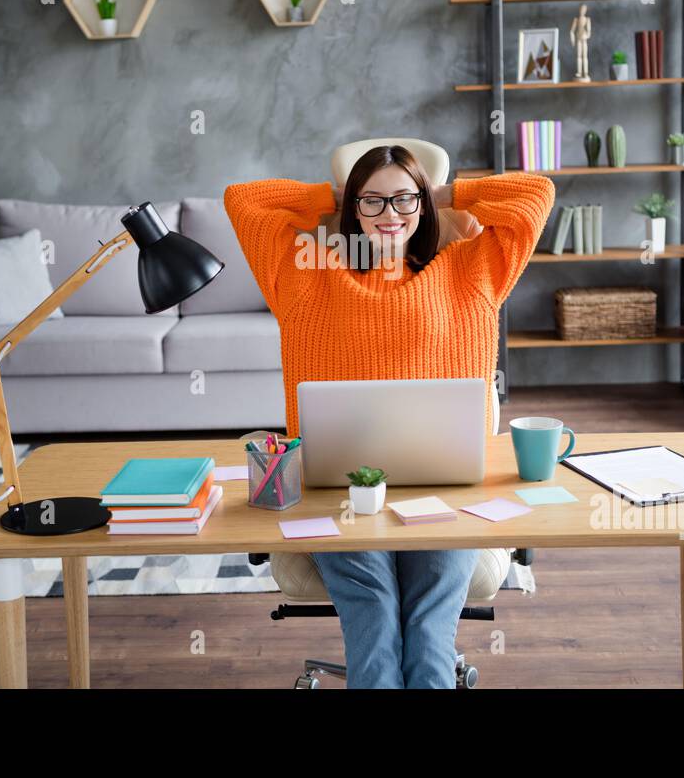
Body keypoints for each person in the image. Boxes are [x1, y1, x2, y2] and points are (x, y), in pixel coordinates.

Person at [224, 145, 554, 688]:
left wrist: (440, 195)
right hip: (340, 492)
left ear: (424, 204)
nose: (388, 215)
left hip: (445, 493)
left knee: (428, 637)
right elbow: (244, 201)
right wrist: (332, 198)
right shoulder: (305, 273)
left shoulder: (473, 268)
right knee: (375, 622)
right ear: (352, 209)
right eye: (371, 203)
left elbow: (535, 194)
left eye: (403, 199)